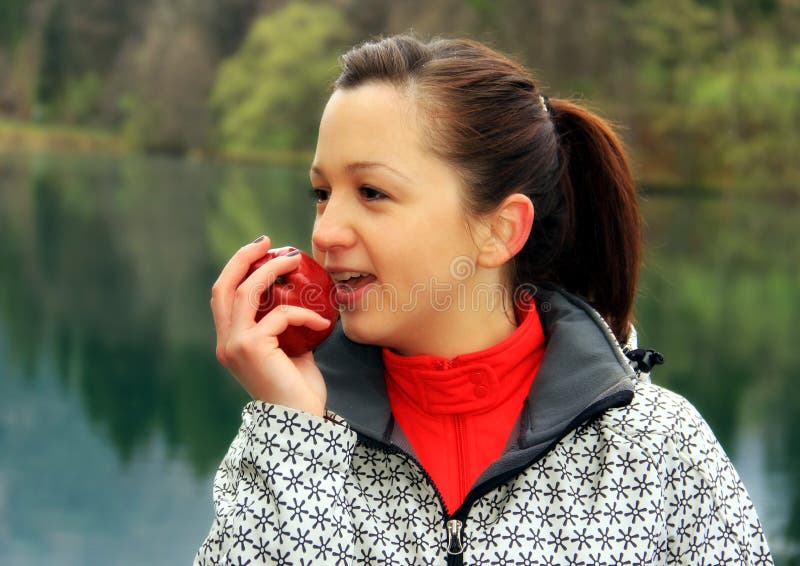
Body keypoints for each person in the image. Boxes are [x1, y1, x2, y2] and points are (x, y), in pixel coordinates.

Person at [196, 33, 773, 565]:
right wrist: (294, 441)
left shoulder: (658, 450)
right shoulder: (295, 426)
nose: (325, 232)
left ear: (499, 230)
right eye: (323, 193)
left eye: (372, 192)